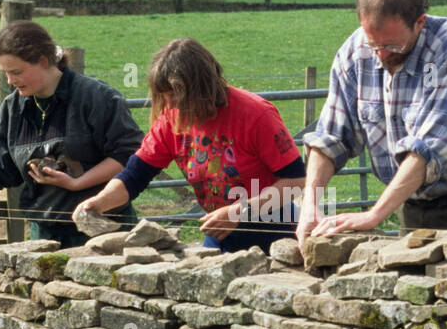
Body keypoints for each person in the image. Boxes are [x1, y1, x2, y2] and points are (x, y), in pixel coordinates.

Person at [297, 0, 447, 242]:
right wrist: (309, 207)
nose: (382, 54)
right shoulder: (355, 52)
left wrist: (374, 215)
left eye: (393, 44)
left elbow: (431, 147)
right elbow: (331, 138)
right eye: (375, 44)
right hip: (411, 205)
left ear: (420, 22)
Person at [0, 20, 144, 248]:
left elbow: (129, 154)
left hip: (108, 230)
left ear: (43, 61)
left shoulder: (97, 97)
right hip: (45, 235)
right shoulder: (12, 109)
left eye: (16, 72)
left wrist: (78, 183)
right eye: (6, 73)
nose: (10, 81)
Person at [76, 38, 306, 253]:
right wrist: (100, 201)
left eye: (175, 95)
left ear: (201, 88)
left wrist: (240, 212)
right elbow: (135, 175)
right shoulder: (171, 118)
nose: (169, 104)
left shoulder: (256, 115)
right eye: (163, 96)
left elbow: (297, 180)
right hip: (219, 233)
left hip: (277, 233)